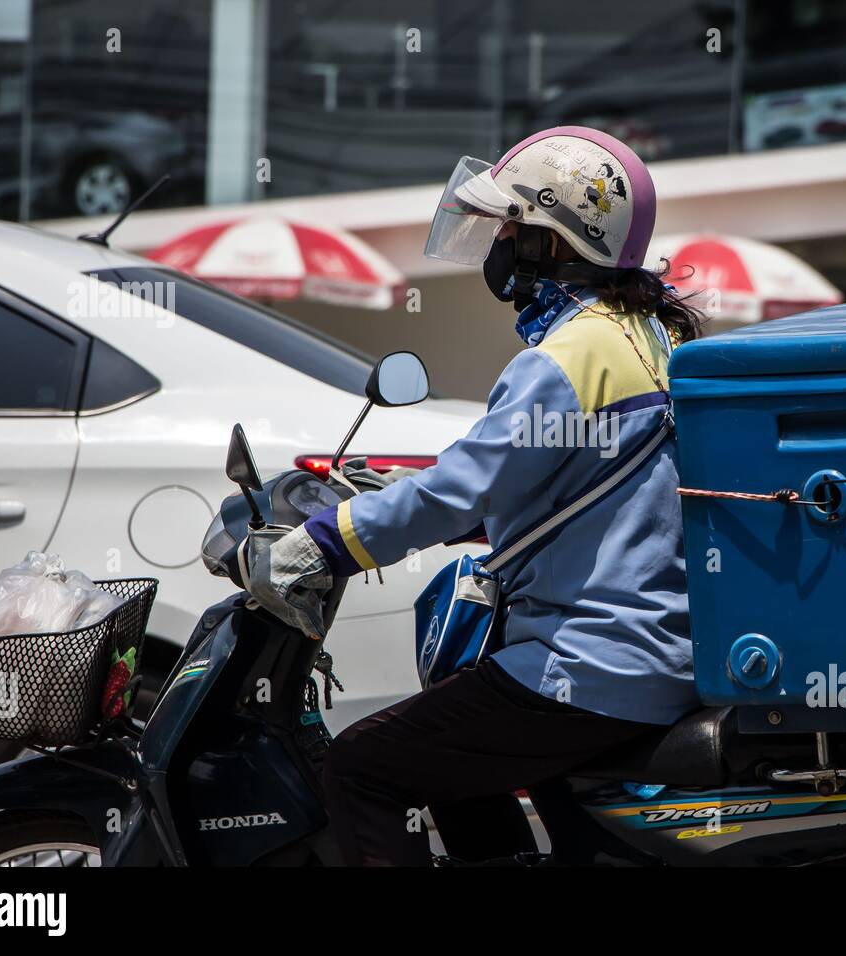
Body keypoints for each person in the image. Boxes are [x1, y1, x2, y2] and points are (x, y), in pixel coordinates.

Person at [248, 126, 704, 865]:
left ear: (552, 241)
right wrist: (401, 495)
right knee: (450, 769)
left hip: (589, 663)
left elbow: (465, 488)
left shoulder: (568, 354)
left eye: (509, 228)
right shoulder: (647, 335)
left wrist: (326, 541)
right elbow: (568, 484)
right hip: (656, 652)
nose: (494, 246)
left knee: (362, 767)